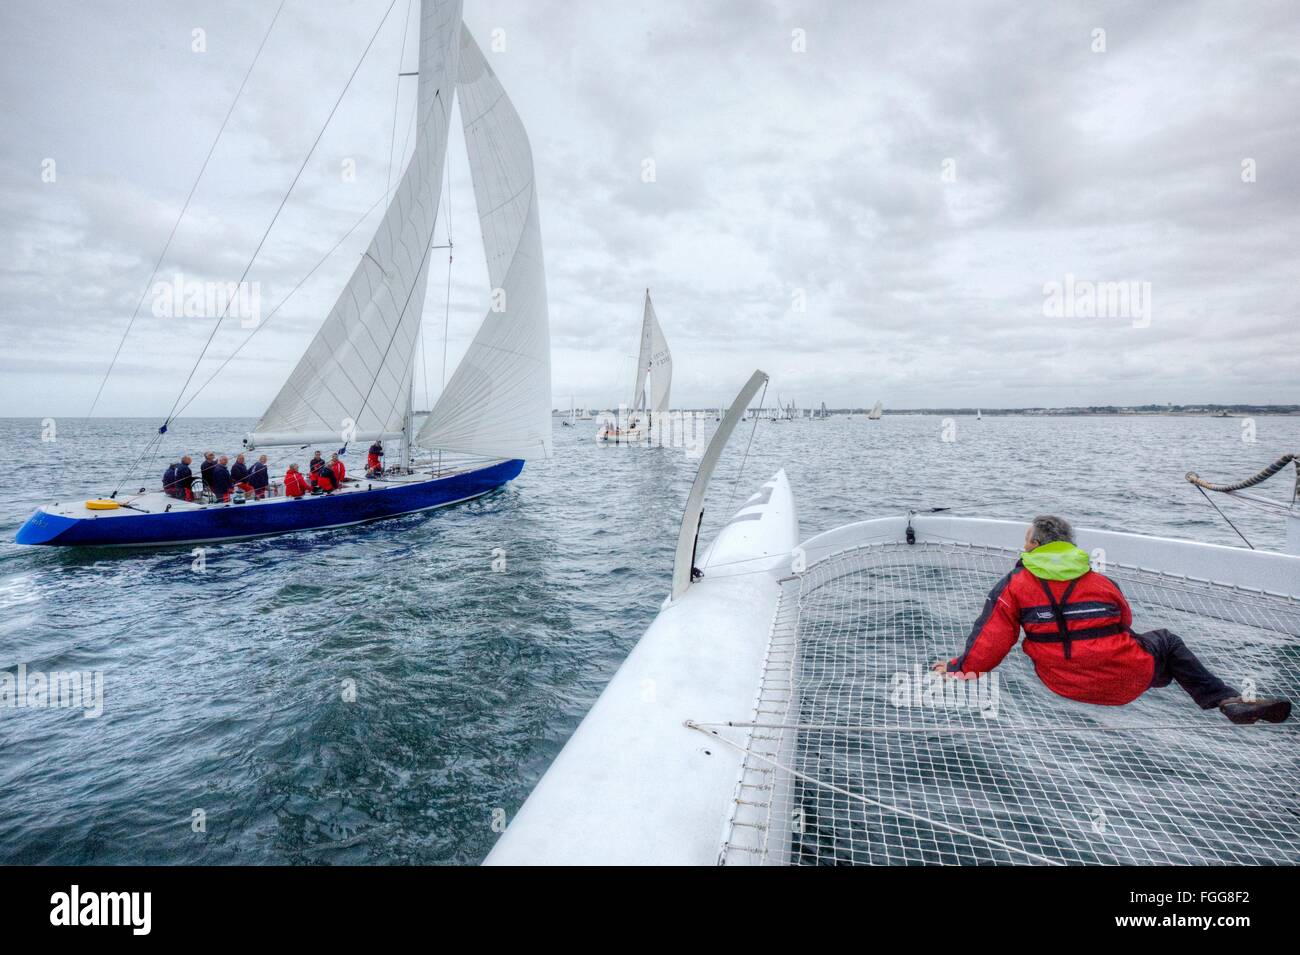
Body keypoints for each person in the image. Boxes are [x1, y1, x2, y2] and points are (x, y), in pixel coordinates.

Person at [935, 515, 1291, 725]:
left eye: (1026, 542)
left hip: (1061, 681)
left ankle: (1216, 696)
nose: (1024, 546)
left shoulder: (1013, 585)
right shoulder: (1102, 582)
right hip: (1129, 680)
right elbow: (1124, 619)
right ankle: (1225, 700)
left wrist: (957, 669)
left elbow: (989, 644)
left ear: (1034, 546)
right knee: (1164, 643)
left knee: (1147, 651)